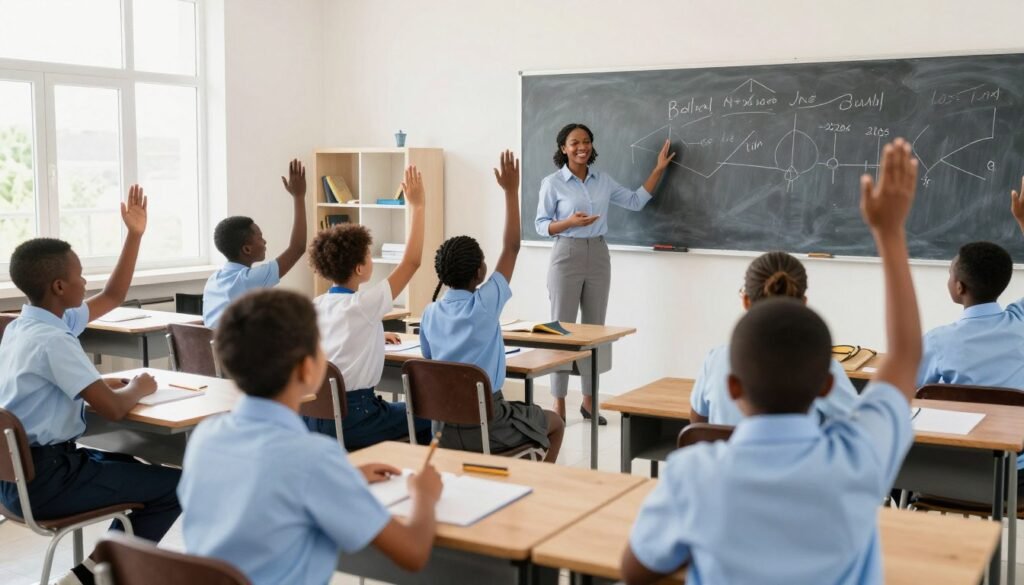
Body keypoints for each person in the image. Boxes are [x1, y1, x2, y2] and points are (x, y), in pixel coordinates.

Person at [621, 139, 922, 584]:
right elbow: (906, 356)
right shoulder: (858, 461)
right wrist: (890, 232)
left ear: (733, 385)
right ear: (825, 383)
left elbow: (636, 572)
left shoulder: (695, 476)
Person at [179, 289, 442, 585]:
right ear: (307, 367)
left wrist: (344, 475)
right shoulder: (312, 459)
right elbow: (413, 553)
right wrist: (424, 496)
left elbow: (272, 481)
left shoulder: (205, 437)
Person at [0, 186, 181, 585]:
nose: (85, 281)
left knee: (135, 467)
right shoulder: (54, 339)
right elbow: (114, 409)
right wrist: (140, 385)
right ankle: (93, 578)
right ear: (59, 288)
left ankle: (93, 573)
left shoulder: (21, 326)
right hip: (48, 478)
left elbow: (114, 295)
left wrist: (134, 235)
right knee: (178, 487)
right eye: (79, 275)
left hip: (14, 481)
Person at [421, 150, 564, 461]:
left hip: (440, 431)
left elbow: (433, 367)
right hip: (489, 424)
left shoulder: (430, 313)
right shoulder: (485, 304)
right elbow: (512, 246)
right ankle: (536, 489)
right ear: (479, 273)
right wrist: (511, 192)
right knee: (556, 423)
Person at [536, 123, 675, 423]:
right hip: (566, 253)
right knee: (561, 331)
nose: (581, 147)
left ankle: (589, 402)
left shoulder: (603, 181)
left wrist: (658, 169)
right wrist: (570, 222)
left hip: (598, 253)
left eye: (586, 141)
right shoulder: (552, 183)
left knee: (595, 331)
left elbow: (636, 201)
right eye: (574, 143)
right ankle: (558, 404)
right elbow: (540, 225)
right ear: (563, 148)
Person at [307, 165, 431, 447]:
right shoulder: (364, 305)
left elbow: (336, 339)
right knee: (430, 416)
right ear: (360, 268)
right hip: (356, 417)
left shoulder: (316, 305)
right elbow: (411, 262)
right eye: (369, 256)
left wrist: (374, 333)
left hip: (312, 418)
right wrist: (418, 206)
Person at [689, 251, 858, 425]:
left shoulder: (715, 359)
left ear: (746, 301)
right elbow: (862, 429)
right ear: (803, 303)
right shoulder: (823, 367)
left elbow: (696, 430)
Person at [202, 159, 308, 327]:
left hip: (214, 352)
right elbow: (298, 248)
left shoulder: (213, 280)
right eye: (259, 237)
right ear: (246, 249)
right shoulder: (248, 280)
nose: (265, 241)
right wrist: (299, 197)